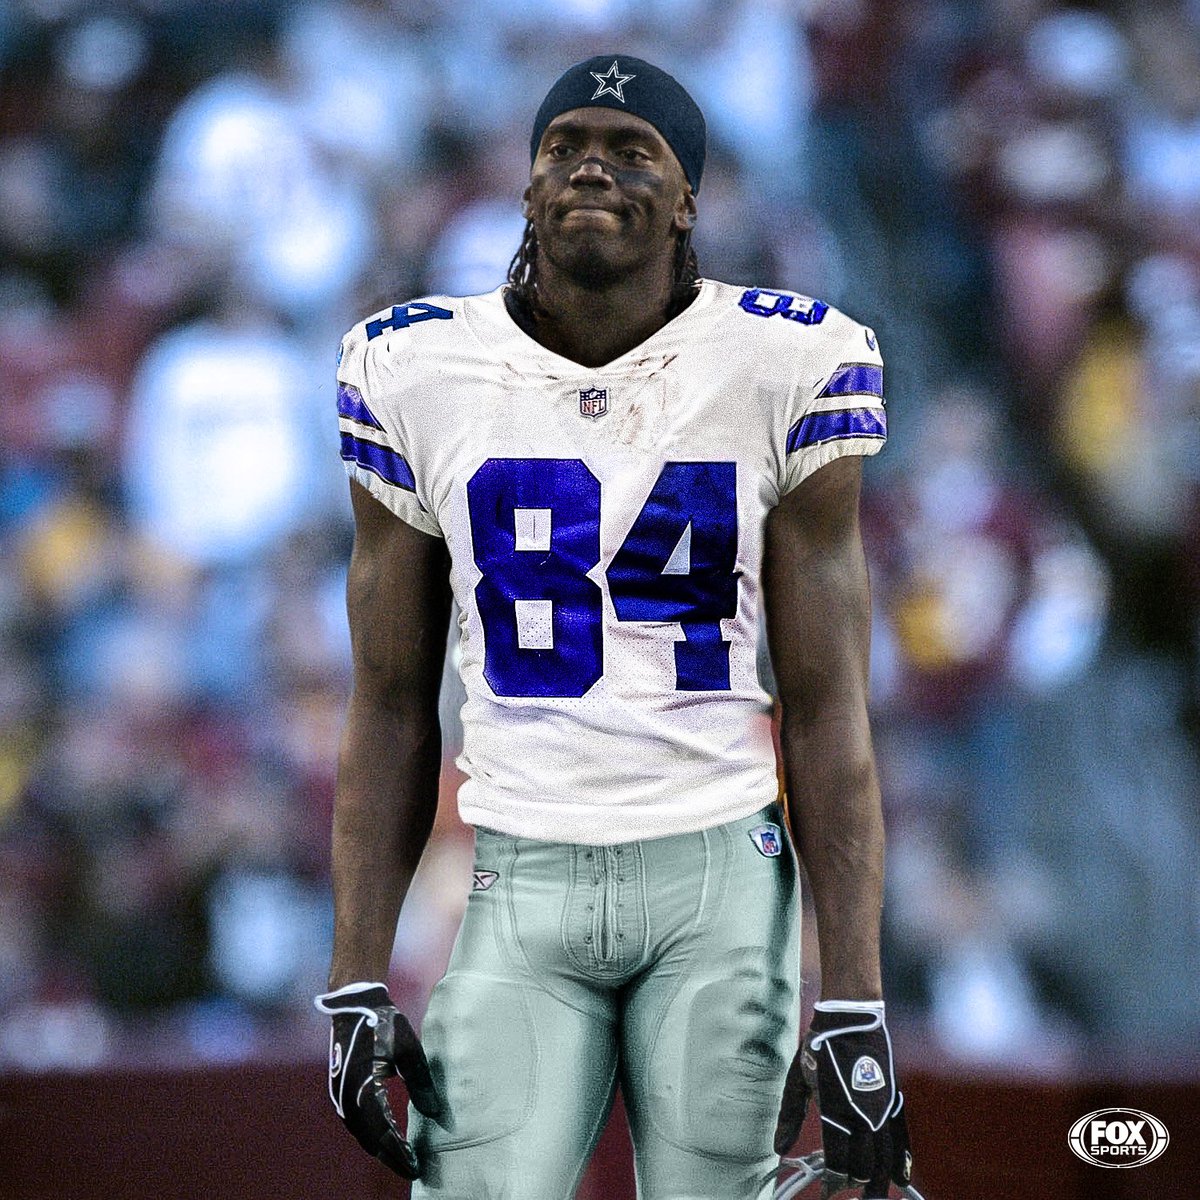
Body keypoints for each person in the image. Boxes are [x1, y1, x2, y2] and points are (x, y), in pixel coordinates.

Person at [315, 55, 913, 1200]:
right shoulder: (414, 367)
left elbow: (829, 707)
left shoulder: (786, 362)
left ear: (688, 200)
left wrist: (855, 999)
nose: (592, 167)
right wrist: (353, 977)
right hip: (517, 870)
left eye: (632, 150)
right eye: (565, 147)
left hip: (721, 870)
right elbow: (388, 704)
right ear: (527, 187)